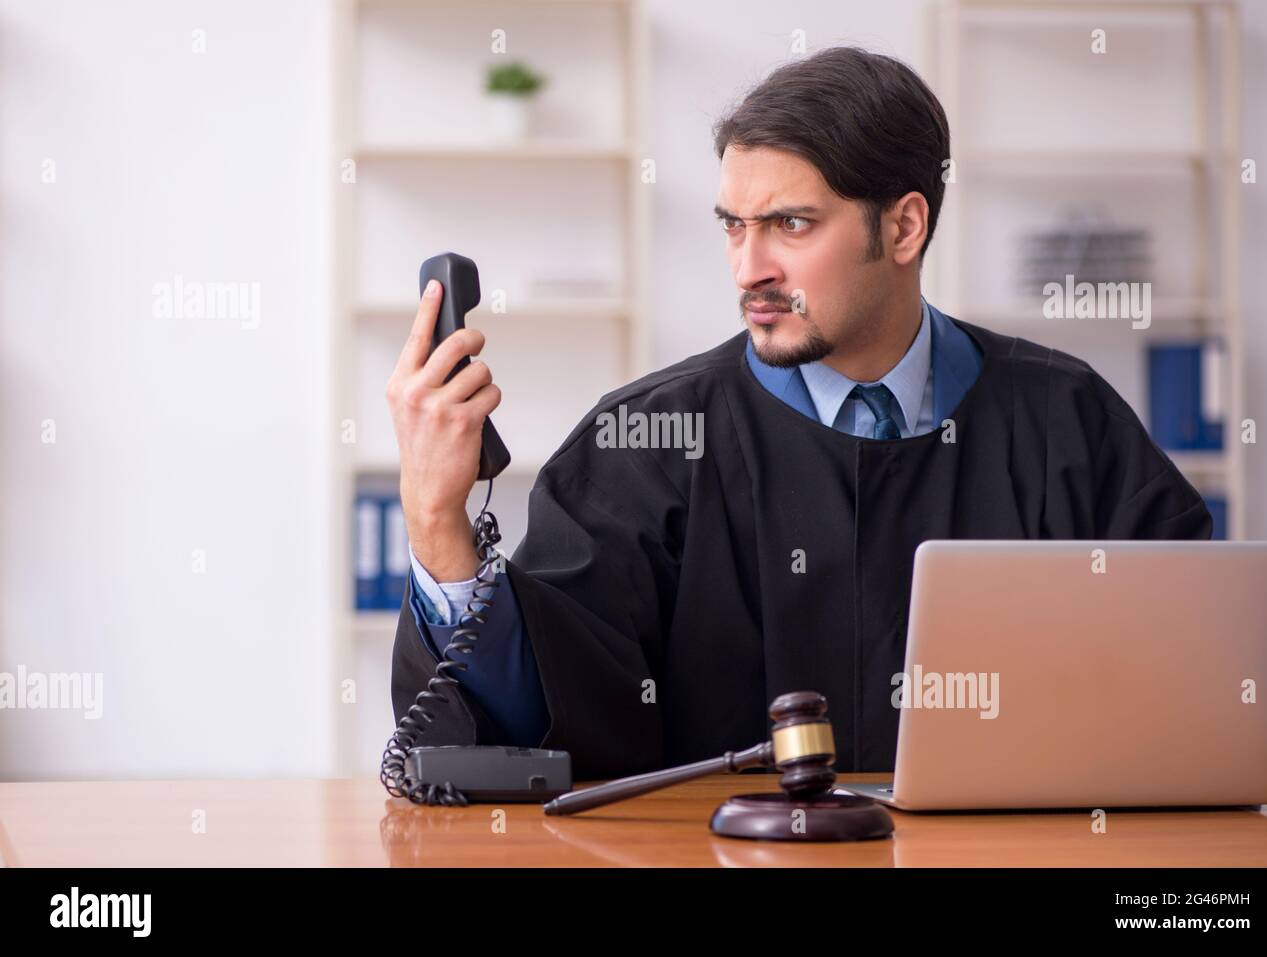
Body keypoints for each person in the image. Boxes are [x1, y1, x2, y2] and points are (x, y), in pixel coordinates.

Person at [387, 47, 1211, 780]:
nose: (750, 269)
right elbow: (532, 724)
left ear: (903, 225)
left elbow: (1189, 680)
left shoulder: (1068, 422)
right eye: (733, 228)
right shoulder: (642, 443)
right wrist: (436, 521)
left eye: (790, 223)